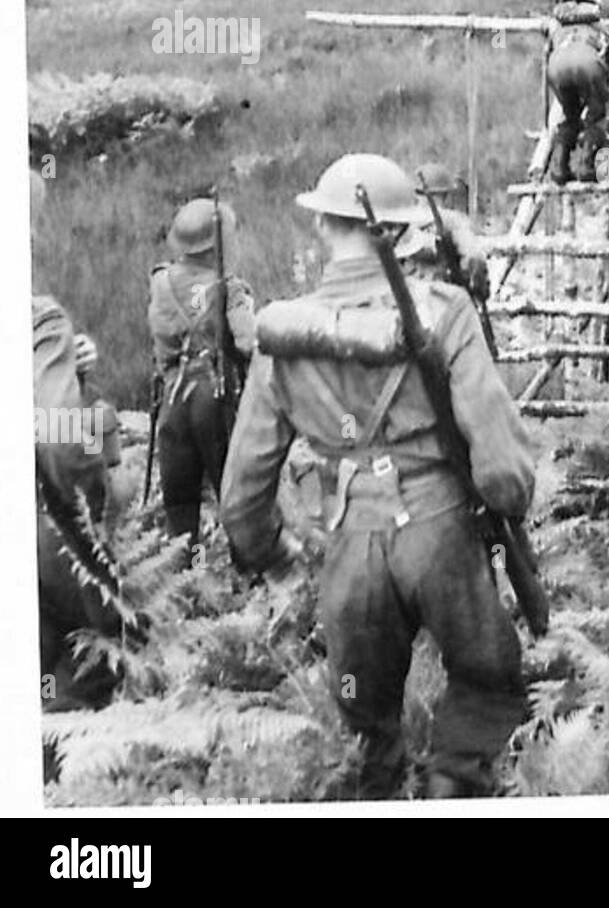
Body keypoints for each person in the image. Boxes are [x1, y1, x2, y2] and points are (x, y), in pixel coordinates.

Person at [221, 153, 537, 800]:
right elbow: (503, 469)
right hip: (440, 534)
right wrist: (503, 511)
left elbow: (242, 499)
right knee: (487, 682)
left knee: (367, 726)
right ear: (397, 233)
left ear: (321, 228)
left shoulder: (284, 334)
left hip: (349, 544)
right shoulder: (445, 311)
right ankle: (453, 783)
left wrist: (277, 556)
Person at [31, 171, 124, 710]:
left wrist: (70, 366)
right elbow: (61, 439)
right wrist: (94, 520)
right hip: (39, 527)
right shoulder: (38, 317)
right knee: (77, 668)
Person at [148, 198, 255, 554]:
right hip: (214, 395)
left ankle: (191, 575)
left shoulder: (160, 282)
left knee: (180, 499)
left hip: (173, 398)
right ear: (218, 243)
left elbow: (161, 349)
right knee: (233, 493)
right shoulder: (229, 287)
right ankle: (246, 579)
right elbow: (248, 343)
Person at [544, 0, 609, 184]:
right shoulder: (600, 29)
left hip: (556, 67)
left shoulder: (557, 31)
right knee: (596, 114)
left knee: (570, 116)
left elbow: (547, 56)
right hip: (588, 64)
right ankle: (586, 165)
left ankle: (559, 167)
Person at [397, 162, 490, 302]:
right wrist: (479, 292)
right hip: (445, 298)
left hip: (406, 299)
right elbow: (474, 258)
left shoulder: (400, 221)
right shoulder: (454, 221)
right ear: (446, 194)